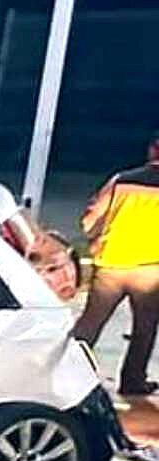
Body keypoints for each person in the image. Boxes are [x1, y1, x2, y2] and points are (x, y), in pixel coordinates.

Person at [70, 134, 159, 394]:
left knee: (90, 323)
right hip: (150, 269)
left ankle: (68, 375)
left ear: (152, 150)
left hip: (111, 264)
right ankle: (132, 382)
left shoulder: (122, 181)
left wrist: (96, 239)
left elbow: (90, 218)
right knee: (145, 328)